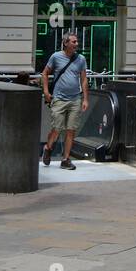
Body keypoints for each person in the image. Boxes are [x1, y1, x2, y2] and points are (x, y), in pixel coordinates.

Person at [41, 32, 88, 171]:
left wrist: (85, 99)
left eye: (77, 41)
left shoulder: (81, 59)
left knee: (71, 130)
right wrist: (45, 91)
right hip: (59, 99)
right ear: (65, 43)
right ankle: (48, 147)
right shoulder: (56, 57)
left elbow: (84, 79)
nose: (76, 44)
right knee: (56, 129)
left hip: (75, 99)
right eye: (73, 42)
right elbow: (45, 73)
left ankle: (65, 159)